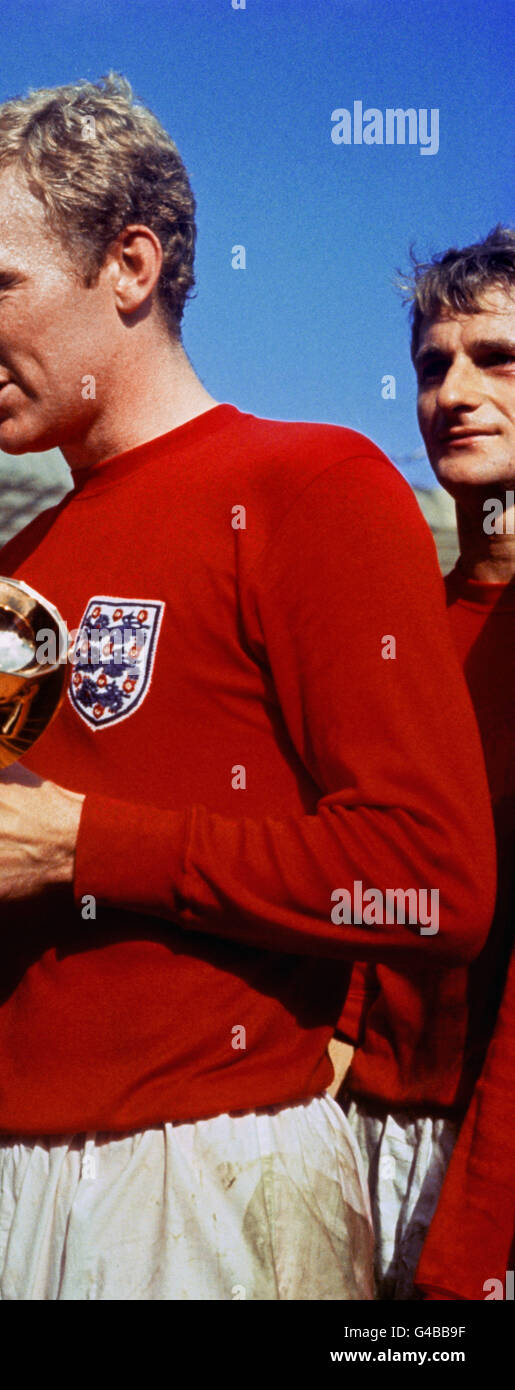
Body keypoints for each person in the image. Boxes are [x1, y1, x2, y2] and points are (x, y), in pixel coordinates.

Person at [0, 76, 495, 1301]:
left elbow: (431, 885)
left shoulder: (312, 483)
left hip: (195, 1173)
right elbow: (41, 889)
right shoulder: (19, 558)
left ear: (130, 264)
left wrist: (81, 846)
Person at [381, 226, 515, 1302]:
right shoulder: (397, 633)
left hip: (494, 1161)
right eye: (434, 365)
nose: (454, 391)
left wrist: (468, 1241)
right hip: (359, 1133)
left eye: (497, 359)